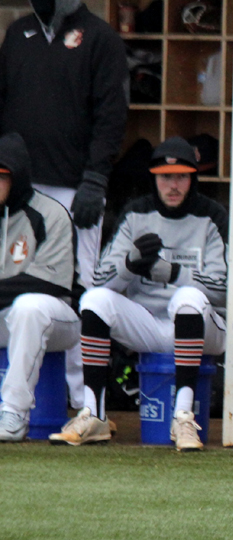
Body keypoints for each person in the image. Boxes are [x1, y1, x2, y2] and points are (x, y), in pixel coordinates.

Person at [48, 137, 228, 452]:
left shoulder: (212, 215)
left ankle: (183, 417)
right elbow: (100, 283)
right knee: (94, 301)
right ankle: (93, 413)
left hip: (203, 327)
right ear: (154, 178)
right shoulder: (135, 214)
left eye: (182, 176)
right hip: (147, 325)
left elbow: (225, 291)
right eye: (165, 177)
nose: (174, 185)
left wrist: (174, 273)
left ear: (193, 178)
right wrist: (129, 266)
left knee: (188, 297)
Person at [0, 0, 128, 412]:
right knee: (14, 280)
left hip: (77, 187)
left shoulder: (101, 38)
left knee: (82, 289)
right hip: (17, 186)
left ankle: (85, 398)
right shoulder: (17, 35)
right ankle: (24, 393)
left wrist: (97, 177)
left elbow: (112, 113)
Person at [0, 133, 80, 442]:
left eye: (2, 177)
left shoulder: (51, 213)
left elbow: (49, 282)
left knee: (29, 306)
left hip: (57, 318)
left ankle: (14, 414)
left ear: (17, 177)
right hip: (7, 318)